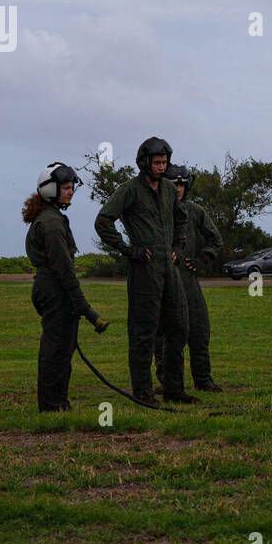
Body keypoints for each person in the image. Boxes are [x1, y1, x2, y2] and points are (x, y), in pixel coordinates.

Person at [94, 137, 191, 405]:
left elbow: (181, 219)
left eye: (165, 162)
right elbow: (103, 221)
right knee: (143, 332)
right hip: (144, 270)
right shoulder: (129, 190)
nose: (162, 167)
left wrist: (178, 246)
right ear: (144, 163)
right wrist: (129, 250)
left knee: (179, 327)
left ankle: (174, 389)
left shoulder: (171, 190)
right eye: (157, 162)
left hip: (169, 270)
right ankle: (143, 391)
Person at [24, 162, 110, 412]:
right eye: (65, 187)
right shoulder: (51, 223)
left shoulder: (51, 218)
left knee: (62, 347)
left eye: (72, 187)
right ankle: (52, 405)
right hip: (54, 288)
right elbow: (63, 269)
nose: (70, 191)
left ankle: (58, 402)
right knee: (56, 349)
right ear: (51, 189)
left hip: (50, 286)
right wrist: (82, 305)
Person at [159, 165, 225, 394]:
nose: (177, 189)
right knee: (165, 335)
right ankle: (167, 382)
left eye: (181, 184)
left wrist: (202, 260)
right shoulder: (157, 212)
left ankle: (203, 379)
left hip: (189, 281)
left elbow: (215, 240)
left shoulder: (195, 211)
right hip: (163, 282)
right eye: (173, 184)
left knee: (199, 329)